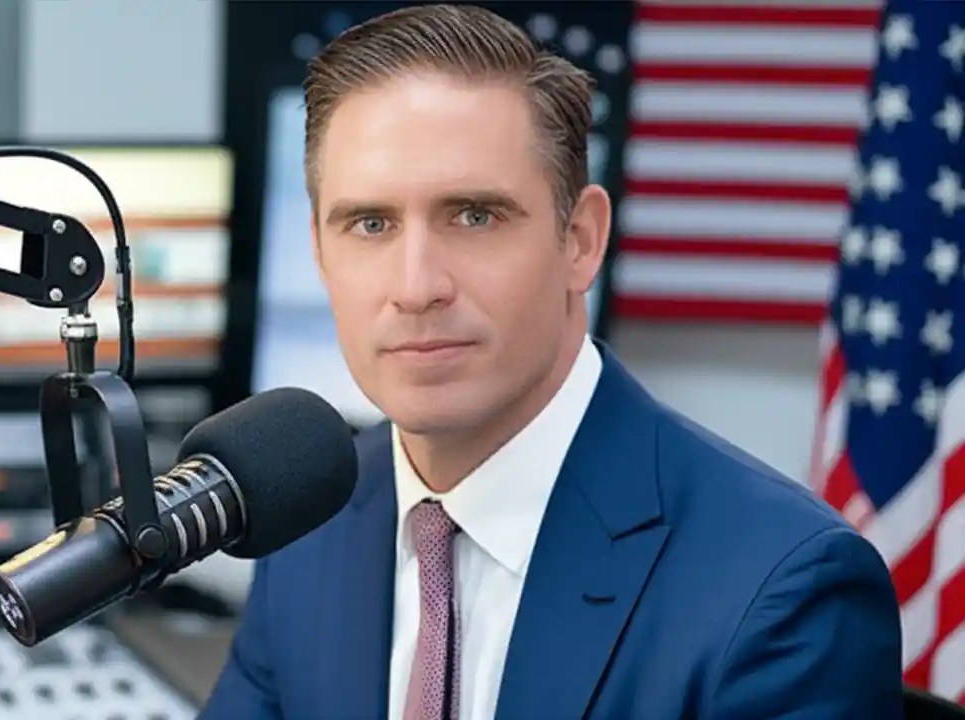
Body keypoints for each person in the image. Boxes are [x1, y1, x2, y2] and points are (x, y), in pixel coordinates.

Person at [201, 4, 904, 718]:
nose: (415, 288)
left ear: (581, 239)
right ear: (320, 253)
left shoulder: (783, 592)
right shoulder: (308, 525)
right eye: (370, 224)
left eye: (475, 216)